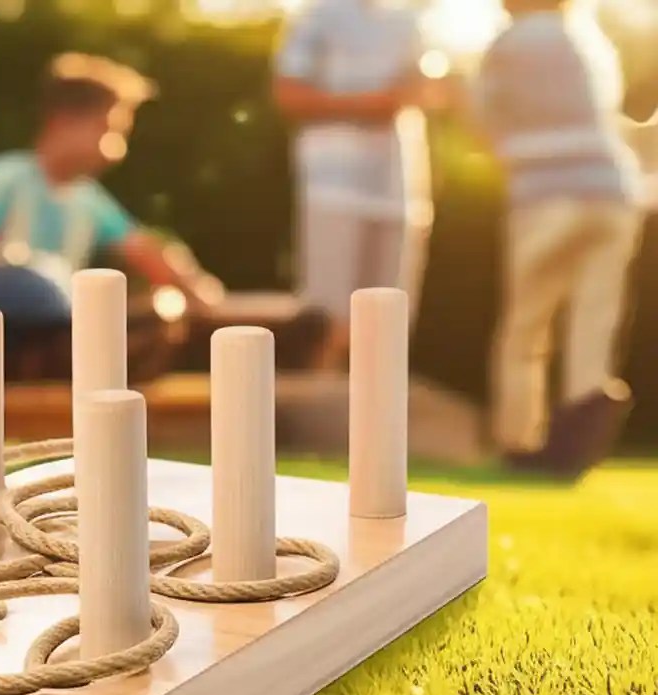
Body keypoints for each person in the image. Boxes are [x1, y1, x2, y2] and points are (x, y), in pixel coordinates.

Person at [0, 53, 222, 373]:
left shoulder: (87, 199)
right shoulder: (6, 176)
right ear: (63, 121)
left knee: (155, 312)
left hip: (59, 322)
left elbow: (144, 250)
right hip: (1, 323)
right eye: (108, 129)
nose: (117, 148)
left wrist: (191, 284)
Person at [471, 0, 644, 479]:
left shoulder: (507, 44)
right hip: (612, 190)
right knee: (594, 322)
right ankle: (579, 431)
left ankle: (519, 442)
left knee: (526, 327)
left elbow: (483, 119)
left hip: (545, 197)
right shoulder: (589, 39)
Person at [273, 0, 438, 368]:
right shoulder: (318, 16)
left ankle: (382, 421)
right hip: (334, 188)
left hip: (400, 192)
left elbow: (424, 90)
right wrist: (369, 104)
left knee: (389, 324)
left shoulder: (410, 21)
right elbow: (288, 93)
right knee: (327, 321)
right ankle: (323, 418)